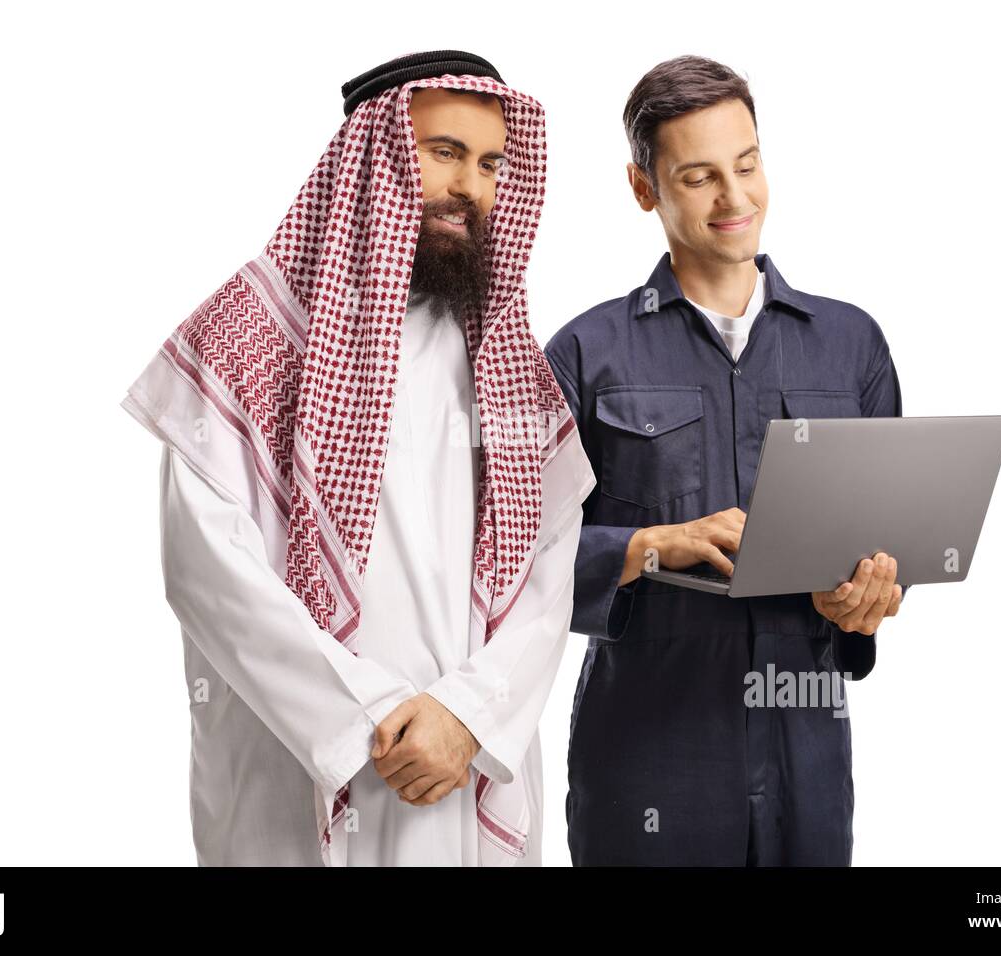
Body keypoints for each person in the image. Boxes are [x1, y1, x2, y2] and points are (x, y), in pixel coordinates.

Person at [120, 50, 593, 866]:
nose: (472, 186)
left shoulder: (510, 364)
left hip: (467, 772)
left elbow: (550, 576)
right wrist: (371, 717)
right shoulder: (249, 341)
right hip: (302, 786)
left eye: (490, 165)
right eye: (444, 151)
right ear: (371, 158)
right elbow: (205, 573)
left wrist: (468, 715)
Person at [543, 55, 907, 866]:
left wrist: (867, 598)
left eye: (746, 166)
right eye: (701, 176)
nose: (736, 199)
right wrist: (645, 548)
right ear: (644, 188)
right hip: (646, 763)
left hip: (806, 762)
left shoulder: (851, 347)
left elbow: (890, 552)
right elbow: (512, 565)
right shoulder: (585, 352)